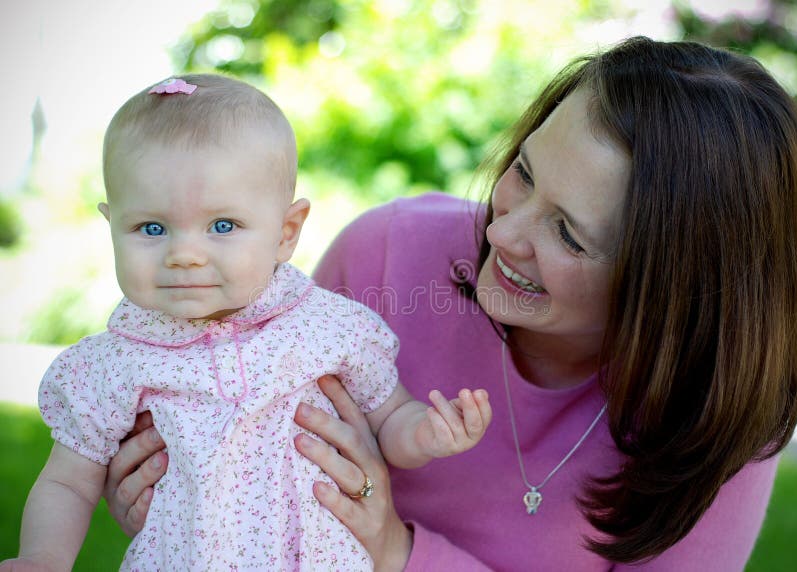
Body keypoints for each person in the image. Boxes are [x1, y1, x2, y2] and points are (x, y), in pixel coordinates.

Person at [105, 36, 797, 571]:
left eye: (568, 233)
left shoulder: (722, 412)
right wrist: (176, 501)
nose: (501, 234)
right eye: (524, 173)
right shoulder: (385, 257)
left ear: (671, 288)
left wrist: (397, 551)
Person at [1, 74, 493, 572]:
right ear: (111, 226)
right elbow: (68, 480)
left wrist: (425, 434)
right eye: (151, 227)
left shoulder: (328, 328)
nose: (185, 254)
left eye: (222, 226)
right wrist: (44, 558)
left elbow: (389, 419)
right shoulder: (115, 362)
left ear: (285, 233)